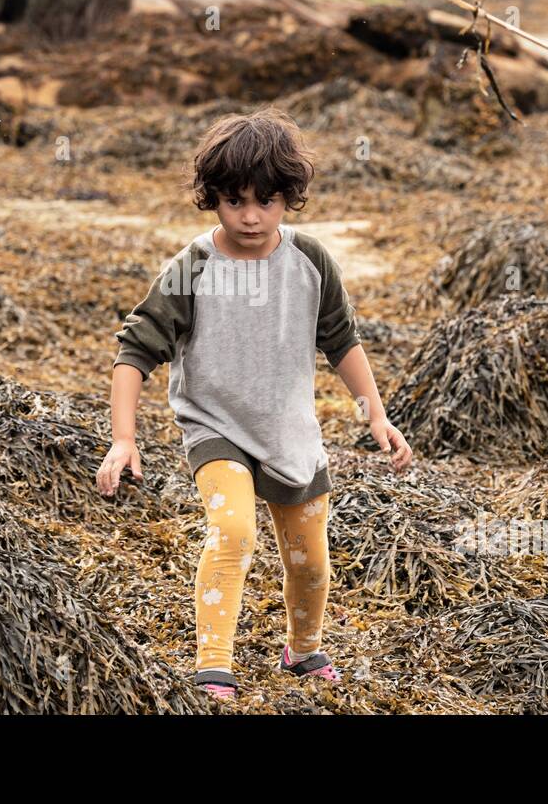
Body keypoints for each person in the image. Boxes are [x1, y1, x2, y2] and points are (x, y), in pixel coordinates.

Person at [94, 107, 413, 701]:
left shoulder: (311, 261)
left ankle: (304, 648)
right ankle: (213, 665)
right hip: (215, 426)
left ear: (289, 197)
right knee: (234, 530)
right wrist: (123, 438)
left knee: (311, 562)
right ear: (210, 197)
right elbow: (134, 352)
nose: (249, 216)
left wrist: (375, 411)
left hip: (290, 429)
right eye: (234, 200)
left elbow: (341, 339)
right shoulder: (192, 267)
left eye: (266, 201)